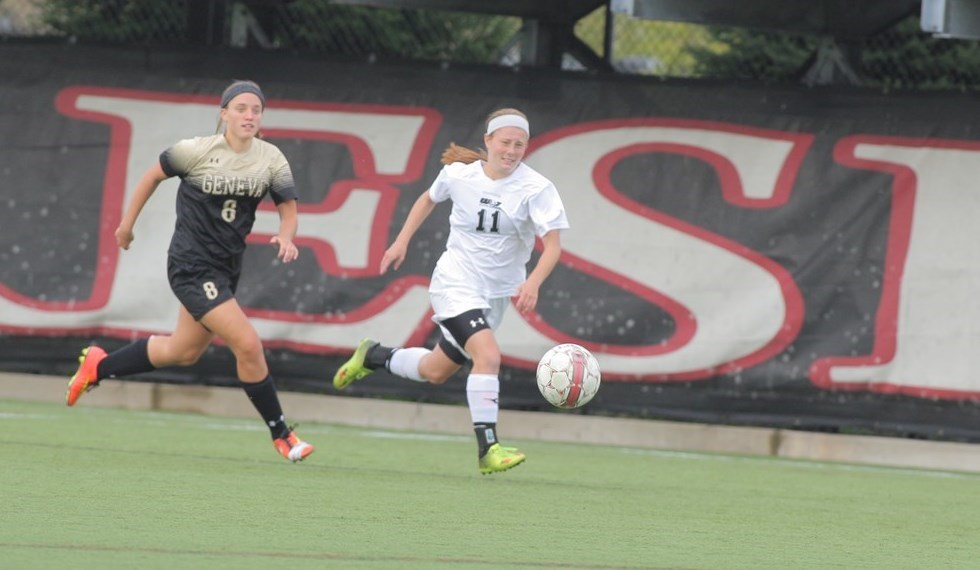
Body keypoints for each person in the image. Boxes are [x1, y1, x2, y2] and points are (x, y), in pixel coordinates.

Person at [66, 80, 314, 463]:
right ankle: (282, 434)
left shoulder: (271, 159)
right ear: (224, 114)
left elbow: (288, 208)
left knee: (181, 351)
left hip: (226, 268)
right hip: (191, 266)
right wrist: (126, 225)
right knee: (247, 344)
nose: (249, 115)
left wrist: (286, 235)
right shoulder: (194, 151)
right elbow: (151, 176)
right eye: (241, 108)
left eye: (256, 110)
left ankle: (99, 366)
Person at [332, 108, 569, 475]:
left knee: (435, 370)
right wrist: (400, 242)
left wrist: (533, 280)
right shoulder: (460, 175)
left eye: (519, 145)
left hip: (494, 296)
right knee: (487, 356)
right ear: (488, 141)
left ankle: (373, 356)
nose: (511, 150)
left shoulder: (536, 188)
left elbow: (552, 245)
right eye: (505, 142)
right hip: (454, 283)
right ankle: (488, 449)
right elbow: (428, 198)